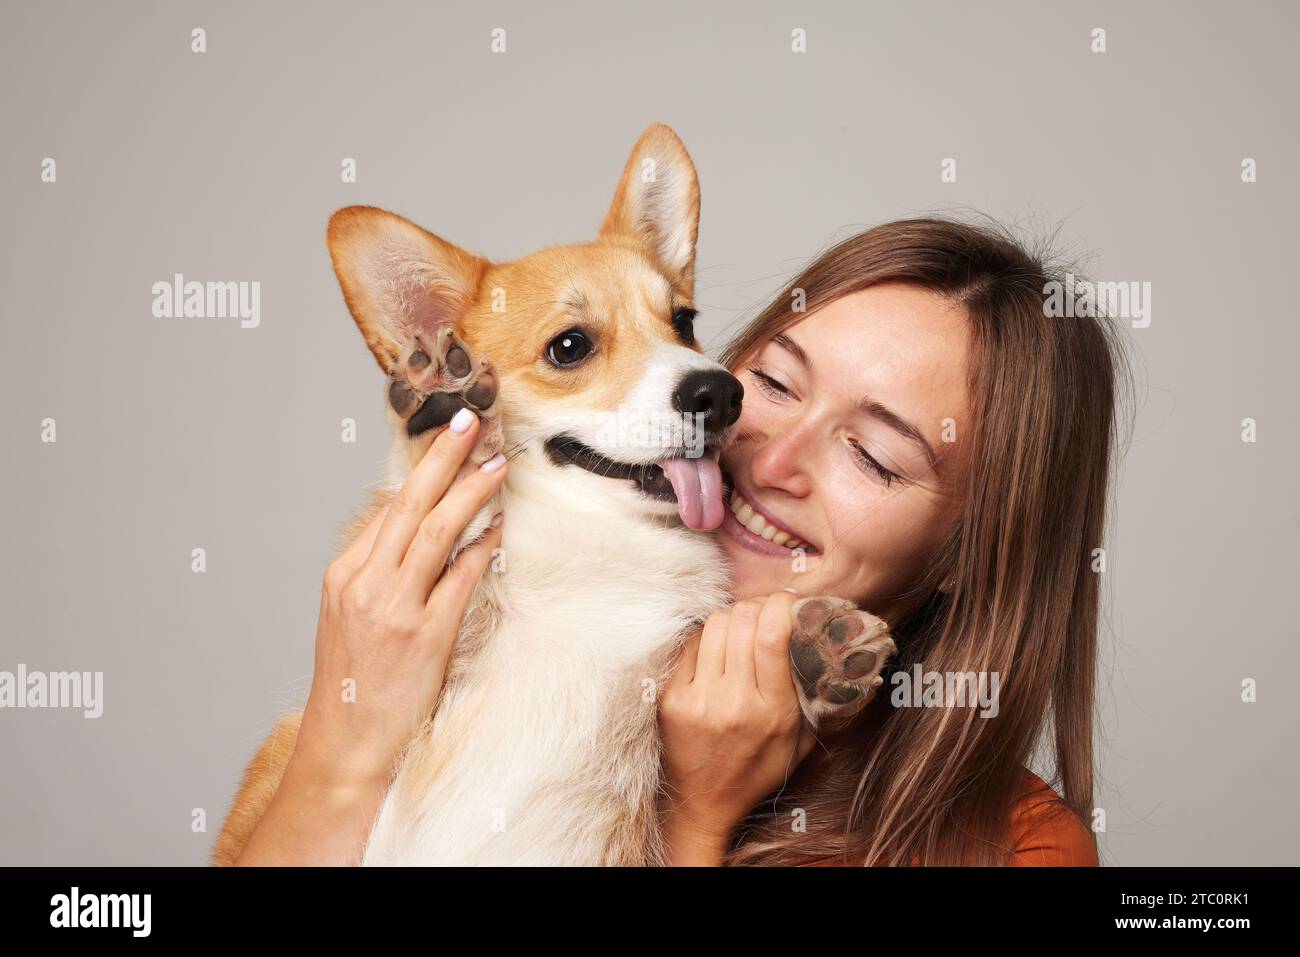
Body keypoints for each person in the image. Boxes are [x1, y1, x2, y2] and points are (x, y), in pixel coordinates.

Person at [232, 217, 1126, 867]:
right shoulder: (447, 624)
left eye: (873, 454)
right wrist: (342, 743)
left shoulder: (1014, 849)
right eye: (770, 380)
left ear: (978, 549)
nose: (760, 450)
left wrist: (692, 821)